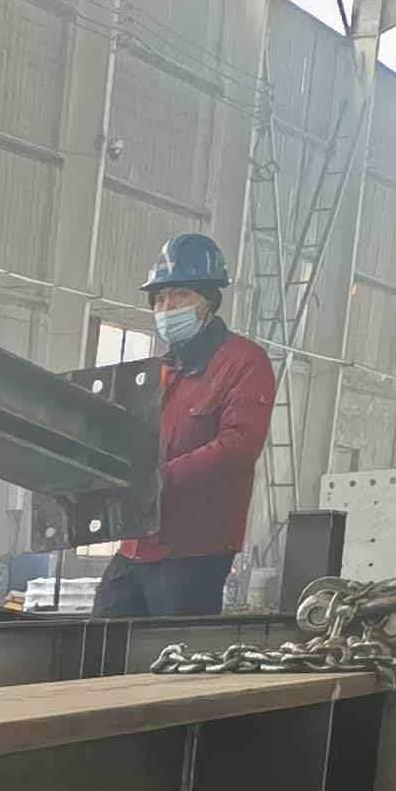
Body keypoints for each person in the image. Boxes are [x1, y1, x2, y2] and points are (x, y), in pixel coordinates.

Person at [94, 233, 276, 619]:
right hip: (136, 543)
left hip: (194, 551)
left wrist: (161, 479)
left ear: (209, 300)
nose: (166, 307)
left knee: (171, 651)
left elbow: (238, 446)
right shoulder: (161, 371)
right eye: (160, 298)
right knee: (98, 638)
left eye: (180, 295)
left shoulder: (243, 362)